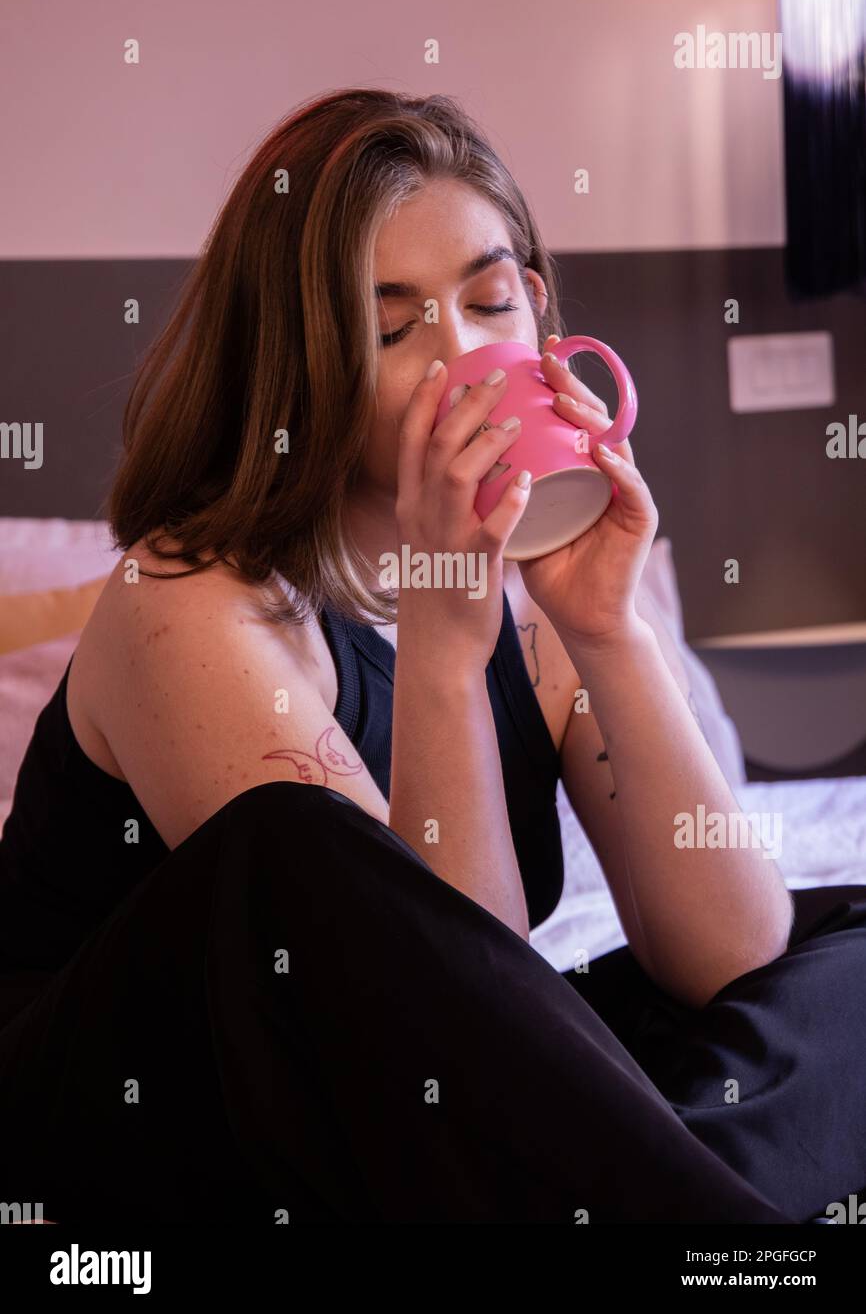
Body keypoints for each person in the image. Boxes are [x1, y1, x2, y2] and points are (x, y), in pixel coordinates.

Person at [1, 88, 864, 1224]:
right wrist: (447, 655)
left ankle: (679, 1203)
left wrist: (607, 630)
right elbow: (433, 1033)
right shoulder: (189, 602)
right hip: (134, 1128)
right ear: (298, 359)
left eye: (489, 302)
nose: (460, 357)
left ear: (537, 318)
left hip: (399, 1123)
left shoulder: (539, 597)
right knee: (291, 839)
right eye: (392, 327)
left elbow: (735, 957)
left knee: (840, 949)